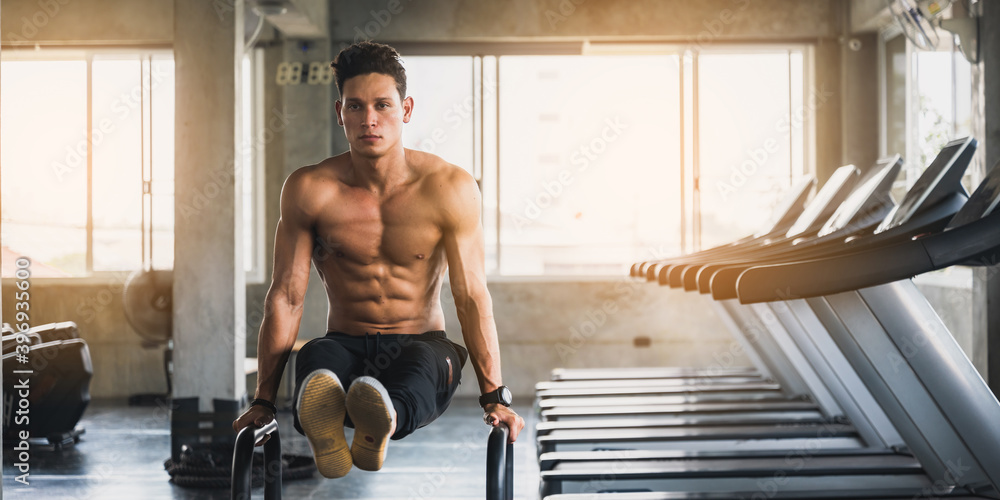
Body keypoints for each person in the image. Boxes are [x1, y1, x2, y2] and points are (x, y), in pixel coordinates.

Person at [232, 40, 524, 478]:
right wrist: (262, 401)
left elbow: (470, 296)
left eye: (382, 105)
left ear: (405, 110)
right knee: (316, 360)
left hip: (422, 343)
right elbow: (286, 297)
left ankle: (380, 423)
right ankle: (333, 424)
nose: (369, 119)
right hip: (344, 341)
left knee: (421, 372)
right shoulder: (310, 189)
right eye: (356, 106)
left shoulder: (449, 187)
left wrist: (494, 396)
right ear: (340, 112)